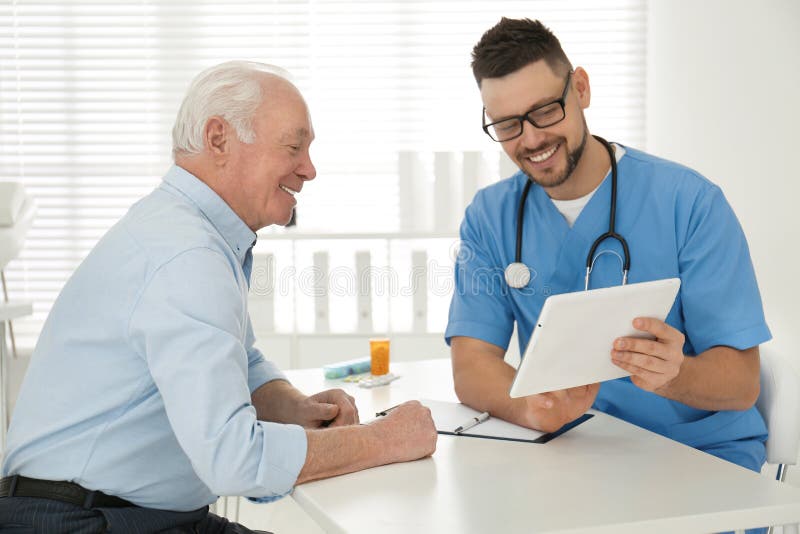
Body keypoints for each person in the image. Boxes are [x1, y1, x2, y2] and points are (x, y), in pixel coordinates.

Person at [0, 61, 437, 533]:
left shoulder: (188, 232)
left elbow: (239, 358)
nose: (309, 169)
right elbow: (234, 459)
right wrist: (385, 439)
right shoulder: (186, 254)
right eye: (294, 146)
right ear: (218, 139)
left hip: (123, 513)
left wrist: (294, 407)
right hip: (78, 521)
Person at [446, 18, 770, 474]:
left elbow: (741, 383)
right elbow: (472, 362)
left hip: (696, 458)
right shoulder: (490, 217)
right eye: (508, 125)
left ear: (580, 88)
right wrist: (530, 410)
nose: (532, 138)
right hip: (568, 456)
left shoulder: (688, 202)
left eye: (544, 111)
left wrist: (674, 374)